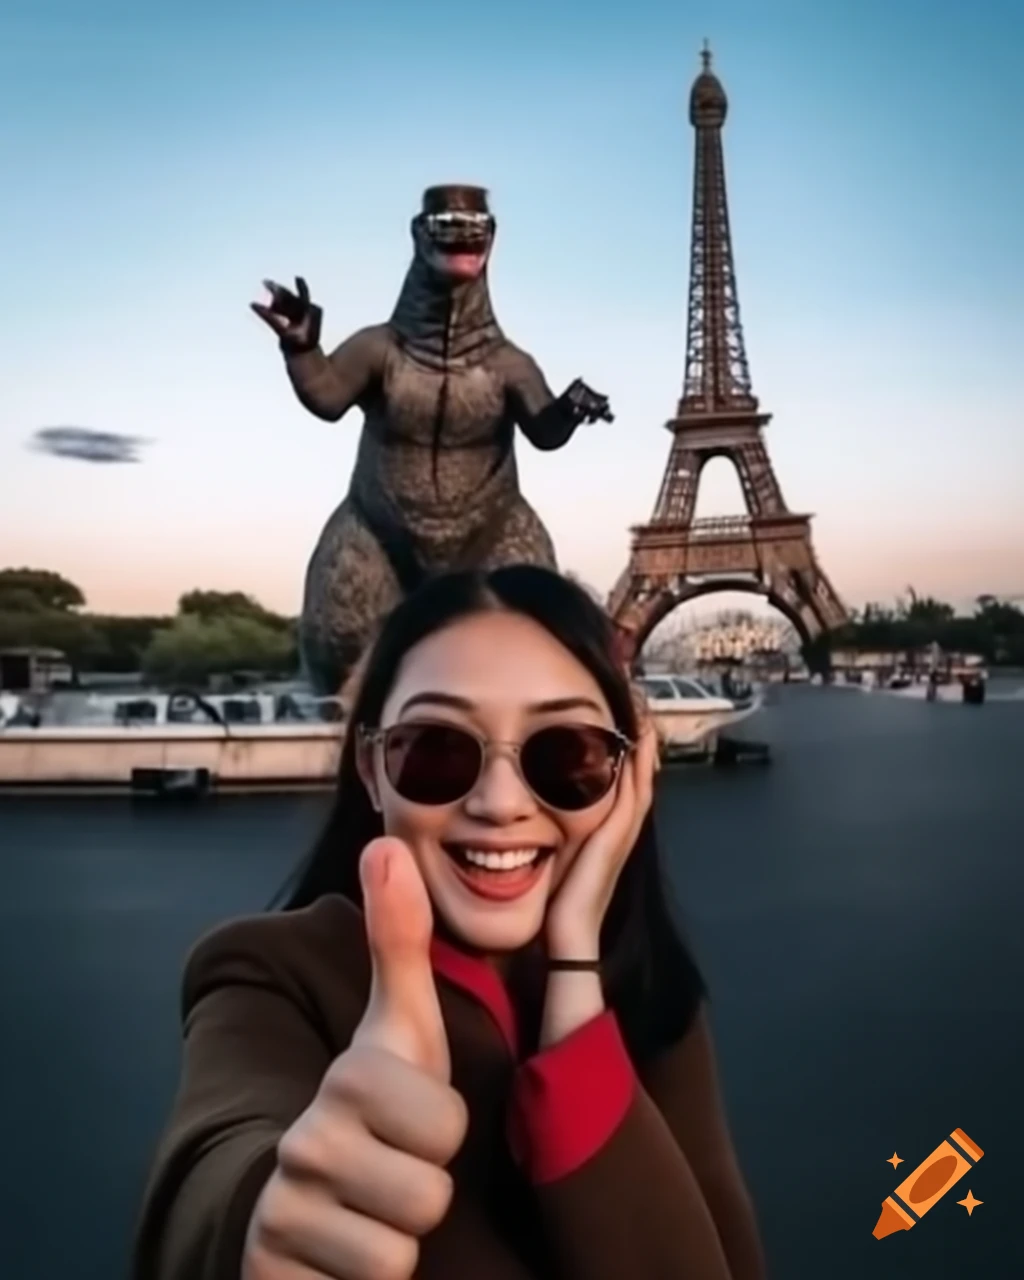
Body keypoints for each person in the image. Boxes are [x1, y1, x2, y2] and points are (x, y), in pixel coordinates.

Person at [133, 565, 765, 1280]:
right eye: (438, 748)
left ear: (629, 772)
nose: (500, 803)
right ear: (371, 767)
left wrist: (575, 966)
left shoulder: (654, 994)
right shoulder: (268, 974)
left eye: (566, 753)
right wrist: (261, 1219)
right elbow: (212, 1159)